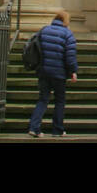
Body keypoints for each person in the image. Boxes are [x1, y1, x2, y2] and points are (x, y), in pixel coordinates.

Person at [28, 9, 78, 137]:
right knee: (59, 101)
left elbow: (35, 48)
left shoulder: (44, 30)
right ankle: (57, 129)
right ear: (66, 21)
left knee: (43, 99)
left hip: (44, 71)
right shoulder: (68, 34)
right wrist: (73, 71)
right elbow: (70, 56)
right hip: (59, 73)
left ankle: (34, 128)